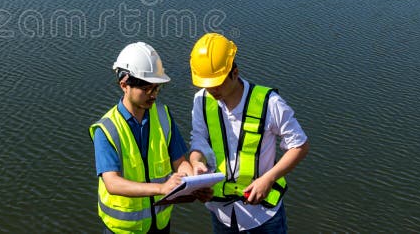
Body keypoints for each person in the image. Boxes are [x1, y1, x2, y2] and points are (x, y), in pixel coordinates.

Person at [188, 33, 309, 233]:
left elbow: (300, 146)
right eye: (206, 85)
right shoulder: (201, 101)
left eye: (217, 84)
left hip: (263, 217)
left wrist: (268, 179)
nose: (212, 91)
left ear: (234, 73)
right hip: (222, 215)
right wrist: (196, 163)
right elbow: (199, 139)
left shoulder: (268, 103)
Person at [90, 42, 194, 234]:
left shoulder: (163, 116)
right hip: (123, 230)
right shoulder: (106, 129)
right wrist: (161, 188)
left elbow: (180, 162)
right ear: (124, 85)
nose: (153, 95)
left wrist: (192, 180)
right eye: (146, 88)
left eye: (156, 88)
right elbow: (112, 183)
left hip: (160, 225)